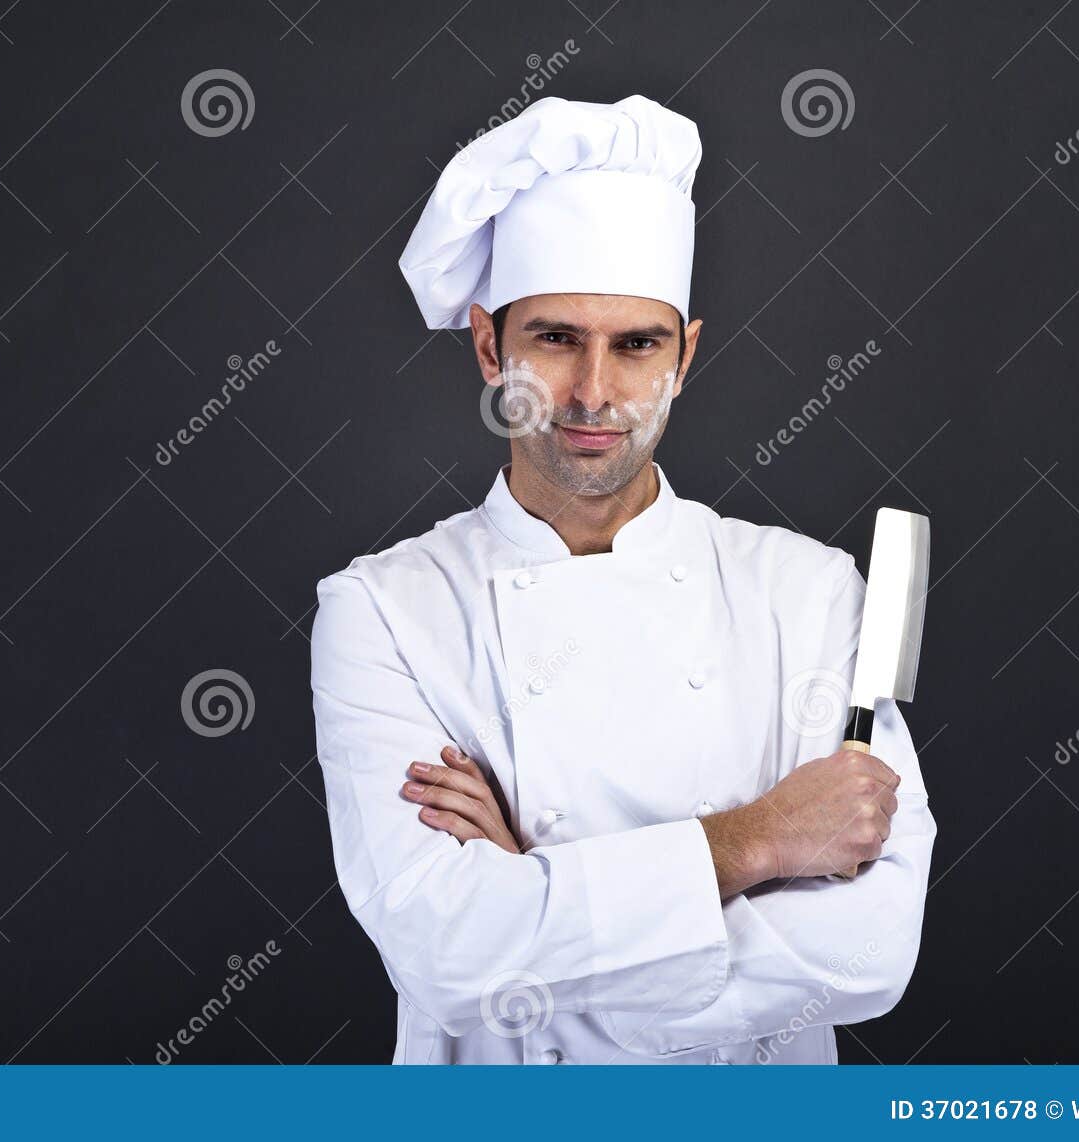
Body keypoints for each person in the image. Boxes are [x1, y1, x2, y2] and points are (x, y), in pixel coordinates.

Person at [308, 93, 936, 1065]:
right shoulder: (385, 611)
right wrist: (757, 841)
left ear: (682, 356)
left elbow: (867, 954)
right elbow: (445, 953)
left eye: (636, 344)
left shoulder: (811, 595)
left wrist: (538, 908)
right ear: (490, 346)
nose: (595, 393)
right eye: (555, 338)